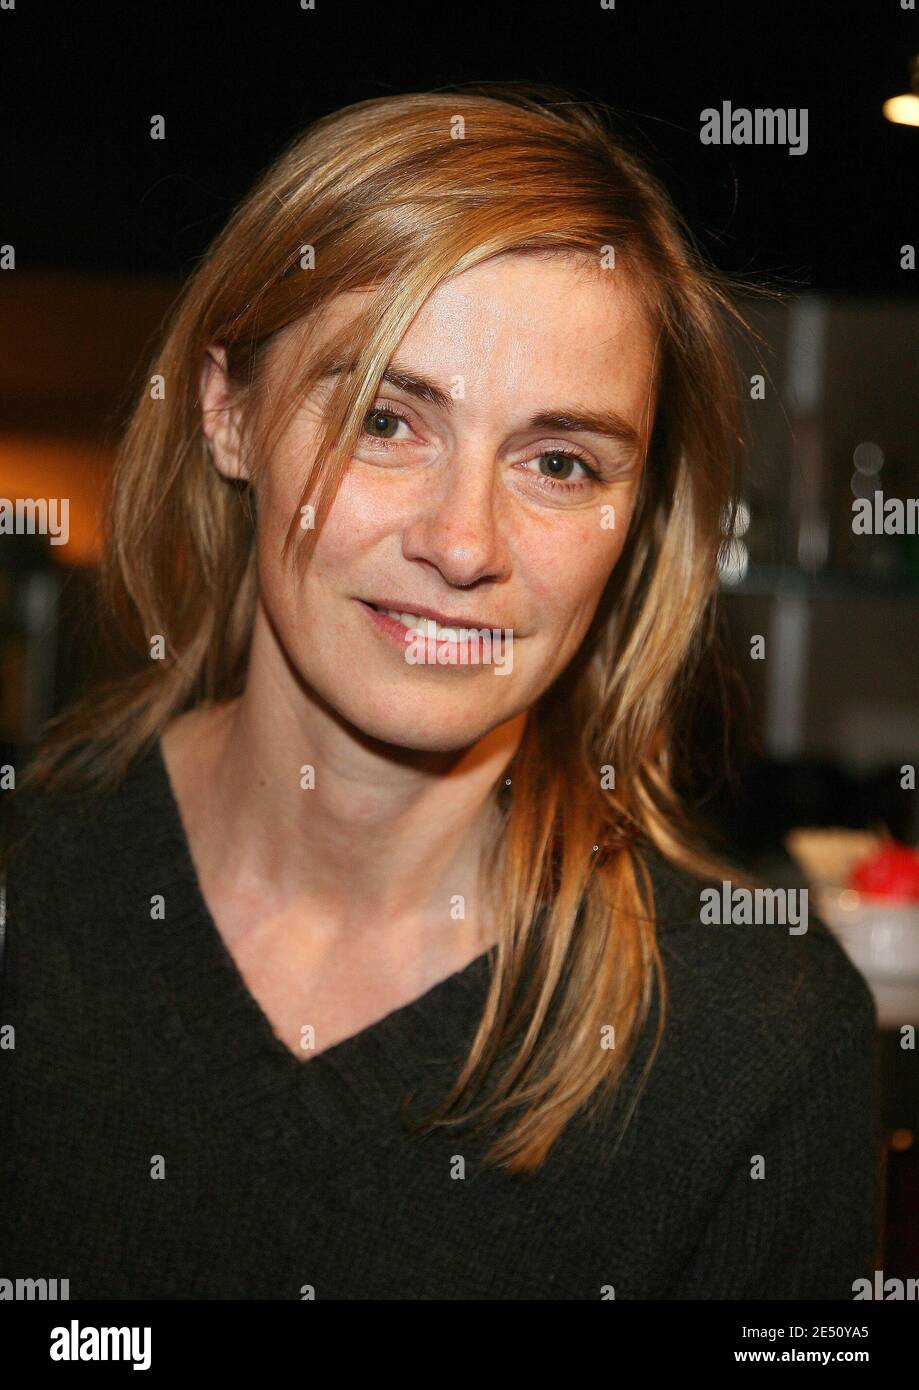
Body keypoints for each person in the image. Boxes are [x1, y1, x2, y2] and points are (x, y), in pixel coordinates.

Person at [0, 82, 880, 1300]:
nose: (465, 543)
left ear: (635, 521)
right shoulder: (27, 892)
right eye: (385, 419)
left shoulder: (757, 1052)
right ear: (228, 412)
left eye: (559, 460)